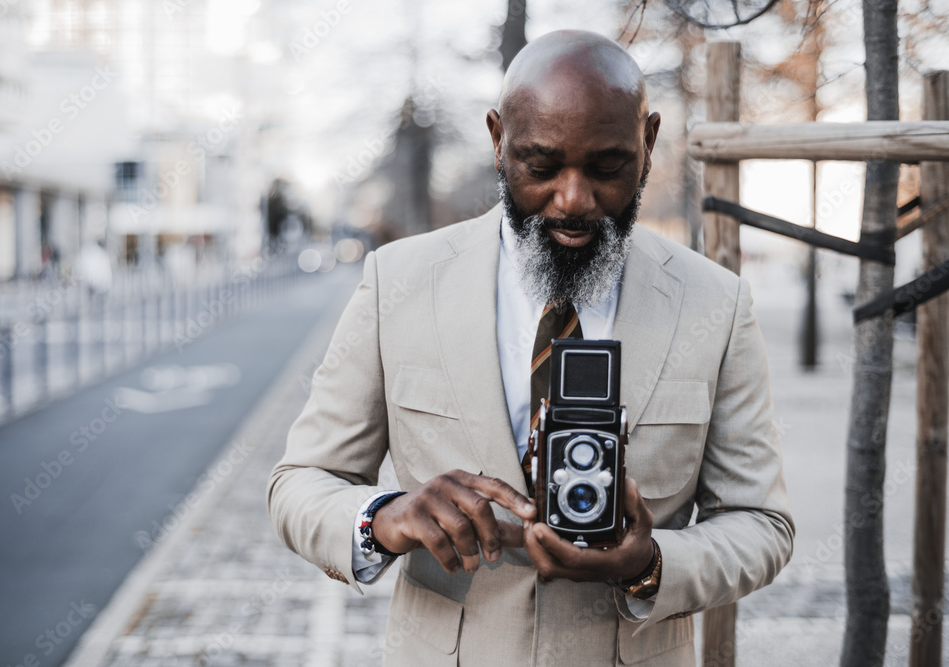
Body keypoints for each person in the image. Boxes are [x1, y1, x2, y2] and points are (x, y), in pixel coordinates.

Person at [267, 29, 793, 666]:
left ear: (648, 141)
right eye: (540, 168)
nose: (573, 200)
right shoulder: (396, 282)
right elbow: (301, 482)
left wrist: (652, 565)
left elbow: (762, 524)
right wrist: (386, 517)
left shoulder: (716, 303)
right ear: (497, 140)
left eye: (608, 166)